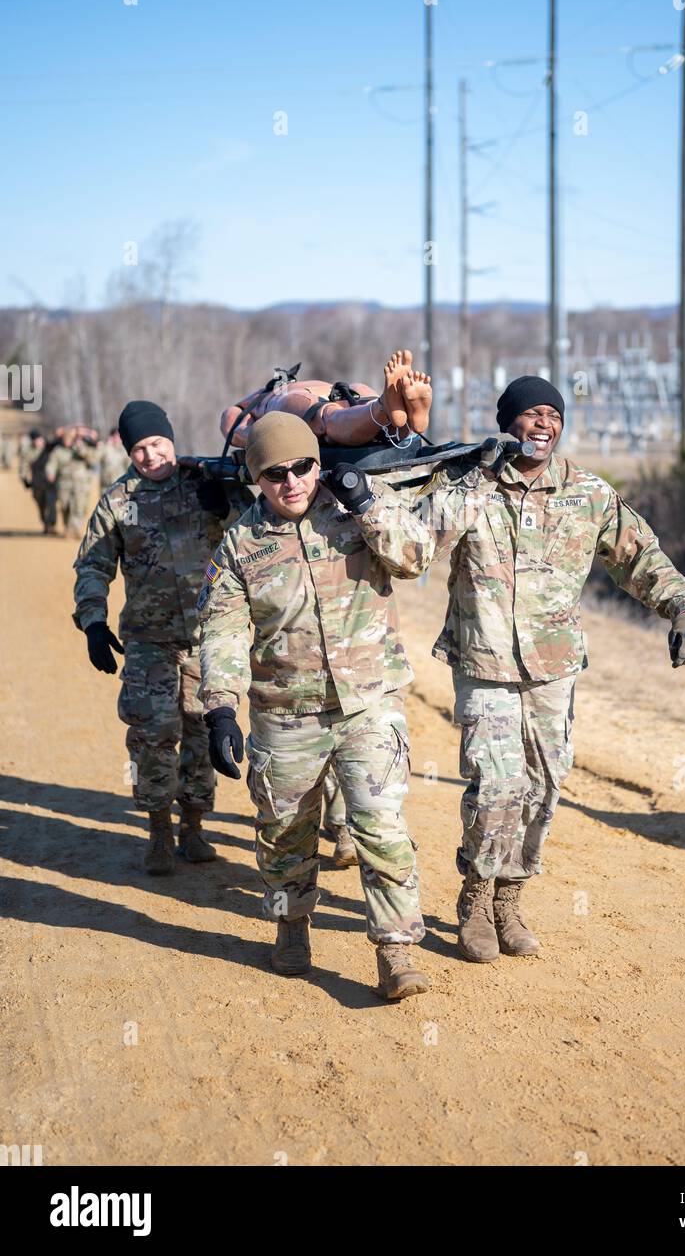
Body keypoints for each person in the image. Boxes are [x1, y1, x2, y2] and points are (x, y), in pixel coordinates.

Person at [428, 376, 685, 965]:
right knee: (496, 785)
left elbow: (639, 556)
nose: (542, 425)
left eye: (552, 414)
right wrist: (463, 477)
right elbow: (415, 543)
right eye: (530, 414)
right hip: (486, 661)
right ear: (508, 423)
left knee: (542, 785)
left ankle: (511, 897)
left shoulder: (588, 494)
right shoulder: (470, 485)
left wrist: (683, 609)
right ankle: (476, 901)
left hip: (553, 668)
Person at [196, 412, 437, 1000]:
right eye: (275, 474)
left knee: (382, 828)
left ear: (318, 463)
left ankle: (396, 950)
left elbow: (417, 557)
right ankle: (290, 925)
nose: (293, 482)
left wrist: (366, 504)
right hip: (286, 714)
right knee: (283, 835)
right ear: (257, 480)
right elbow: (222, 628)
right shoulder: (240, 545)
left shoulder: (354, 508)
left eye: (303, 466)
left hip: (368, 705)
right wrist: (220, 707)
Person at [72, 400, 253, 874]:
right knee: (152, 735)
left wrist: (230, 503)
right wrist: (92, 621)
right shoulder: (119, 500)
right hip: (148, 641)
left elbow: (258, 535)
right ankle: (158, 829)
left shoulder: (207, 483)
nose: (151, 456)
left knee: (201, 733)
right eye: (139, 449)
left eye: (157, 444)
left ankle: (193, 827)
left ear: (171, 438)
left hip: (207, 638)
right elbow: (92, 563)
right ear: (129, 454)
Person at [220, 349, 432, 450]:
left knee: (326, 417)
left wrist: (255, 437)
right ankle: (395, 413)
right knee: (362, 398)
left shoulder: (268, 396)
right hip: (342, 390)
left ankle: (384, 408)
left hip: (302, 400)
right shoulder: (274, 392)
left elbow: (229, 421)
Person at [45, 425, 99, 539]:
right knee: (65, 507)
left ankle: (75, 529)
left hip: (80, 485)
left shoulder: (80, 448)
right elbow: (51, 463)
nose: (67, 441)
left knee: (78, 507)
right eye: (66, 438)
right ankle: (67, 527)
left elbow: (92, 460)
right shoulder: (58, 451)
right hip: (64, 485)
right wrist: (50, 472)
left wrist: (81, 449)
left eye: (70, 438)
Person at [98, 428, 128, 492]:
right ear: (112, 436)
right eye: (116, 435)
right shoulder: (106, 448)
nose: (118, 438)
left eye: (120, 436)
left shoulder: (124, 449)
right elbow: (96, 458)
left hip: (121, 484)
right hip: (106, 484)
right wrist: (107, 445)